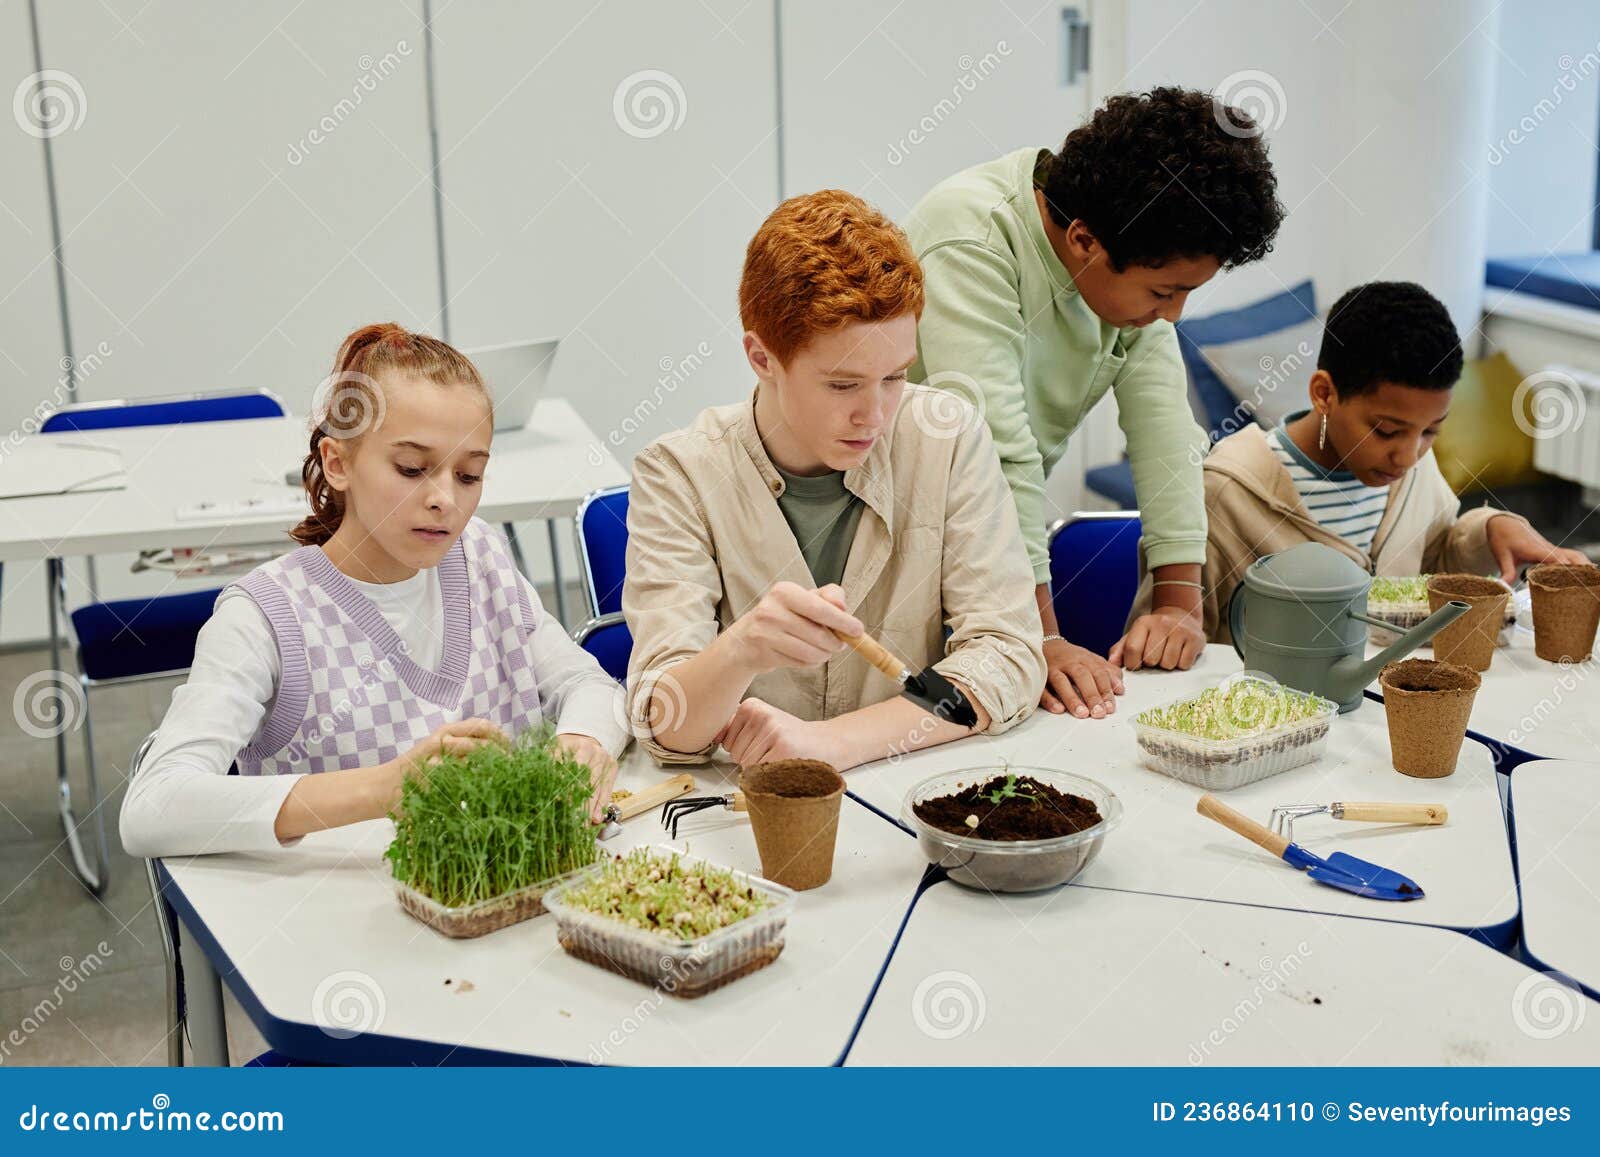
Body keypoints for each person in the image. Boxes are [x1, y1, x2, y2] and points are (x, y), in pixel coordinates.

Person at [120, 323, 628, 858]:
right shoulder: (265, 616)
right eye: (412, 469)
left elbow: (588, 684)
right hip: (336, 903)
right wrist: (385, 788)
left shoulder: (480, 555)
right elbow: (153, 807)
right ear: (338, 463)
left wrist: (583, 742)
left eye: (469, 475)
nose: (444, 499)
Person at [623, 190, 1044, 772]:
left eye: (895, 377)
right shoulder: (679, 473)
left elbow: (1007, 657)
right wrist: (741, 649)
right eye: (843, 385)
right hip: (744, 803)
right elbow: (666, 726)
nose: (875, 415)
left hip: (903, 779)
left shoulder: (946, 438)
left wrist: (837, 742)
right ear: (762, 358)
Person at [906, 87, 1285, 717]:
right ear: (1084, 240)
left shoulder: (1121, 252)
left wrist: (1179, 606)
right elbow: (998, 457)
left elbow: (1167, 433)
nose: (1174, 314)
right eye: (1163, 292)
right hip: (895, 544)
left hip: (988, 547)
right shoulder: (971, 241)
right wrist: (1039, 640)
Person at [1138, 281, 1592, 642]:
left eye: (1431, 431)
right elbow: (1169, 638)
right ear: (1324, 394)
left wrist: (1488, 531)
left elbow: (1432, 560)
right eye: (1387, 431)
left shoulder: (1414, 469)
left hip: (1394, 710)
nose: (1408, 455)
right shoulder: (1224, 492)